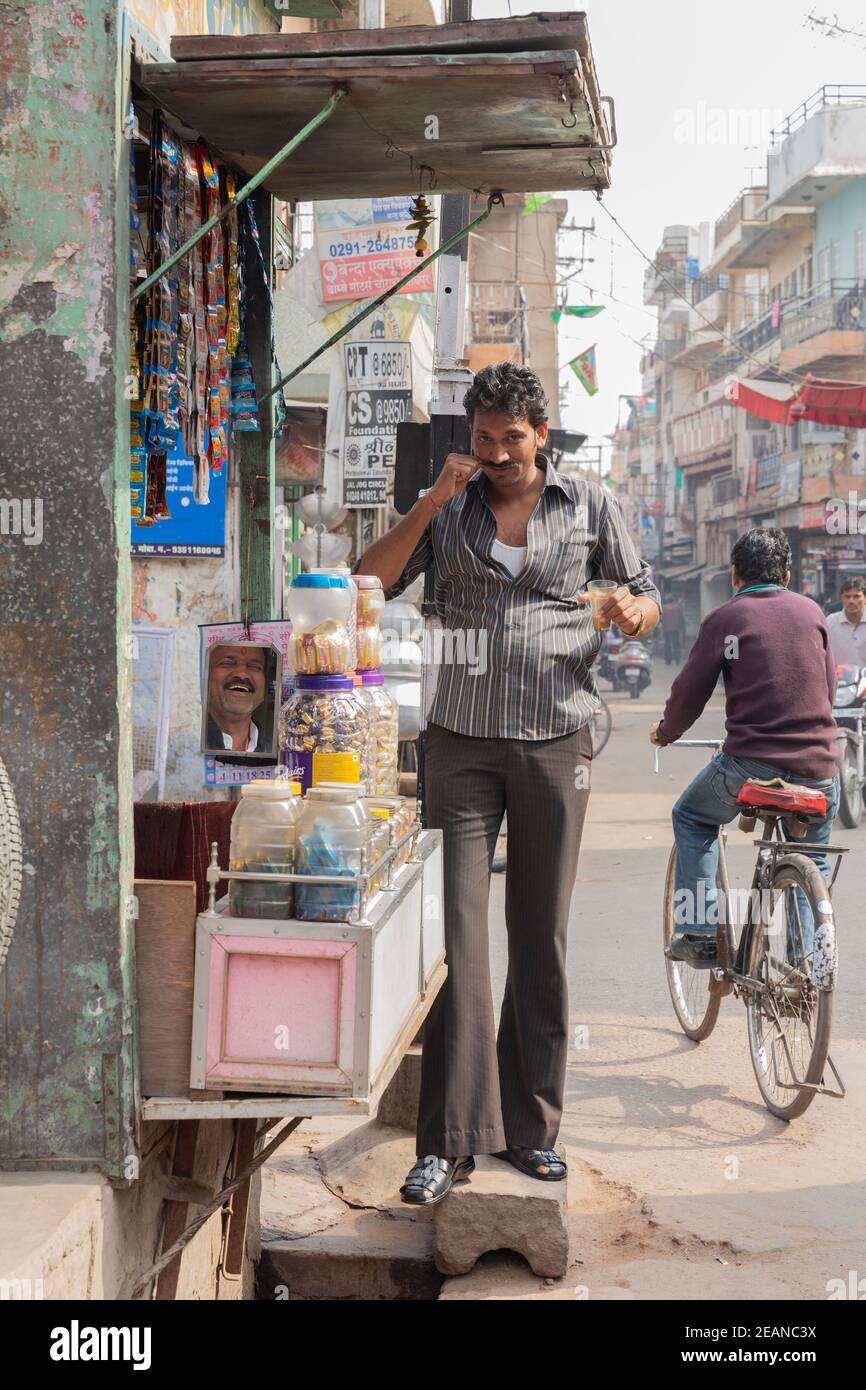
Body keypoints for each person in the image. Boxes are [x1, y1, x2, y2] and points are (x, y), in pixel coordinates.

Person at [357, 361, 661, 1204]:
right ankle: (448, 1142)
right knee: (460, 934)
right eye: (482, 439)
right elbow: (370, 582)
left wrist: (632, 613)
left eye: (510, 439)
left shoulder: (588, 503)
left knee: (541, 936)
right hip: (457, 743)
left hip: (556, 740)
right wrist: (427, 500)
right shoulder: (450, 503)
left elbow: (644, 595)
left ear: (541, 432)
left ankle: (532, 1130)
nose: (496, 453)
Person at [650, 528, 839, 969]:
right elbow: (827, 690)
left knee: (691, 816)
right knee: (811, 855)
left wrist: (666, 732)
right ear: (788, 575)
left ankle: (699, 934)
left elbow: (688, 695)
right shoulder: (813, 613)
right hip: (819, 772)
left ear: (735, 574)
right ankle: (804, 966)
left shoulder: (725, 619)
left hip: (750, 767)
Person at [205, 644, 266, 753]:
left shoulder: (281, 749)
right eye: (227, 663)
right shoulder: (186, 742)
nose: (242, 674)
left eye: (254, 666)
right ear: (205, 677)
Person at [826, 574, 866, 670]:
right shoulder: (831, 623)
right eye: (847, 597)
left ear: (865, 598)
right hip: (840, 682)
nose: (851, 601)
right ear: (841, 598)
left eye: (856, 597)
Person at [661, 595, 685, 664]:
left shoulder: (664, 608)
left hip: (666, 629)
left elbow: (661, 618)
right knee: (676, 644)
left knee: (667, 644)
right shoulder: (678, 607)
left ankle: (668, 660)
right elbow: (682, 618)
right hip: (676, 629)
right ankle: (677, 660)